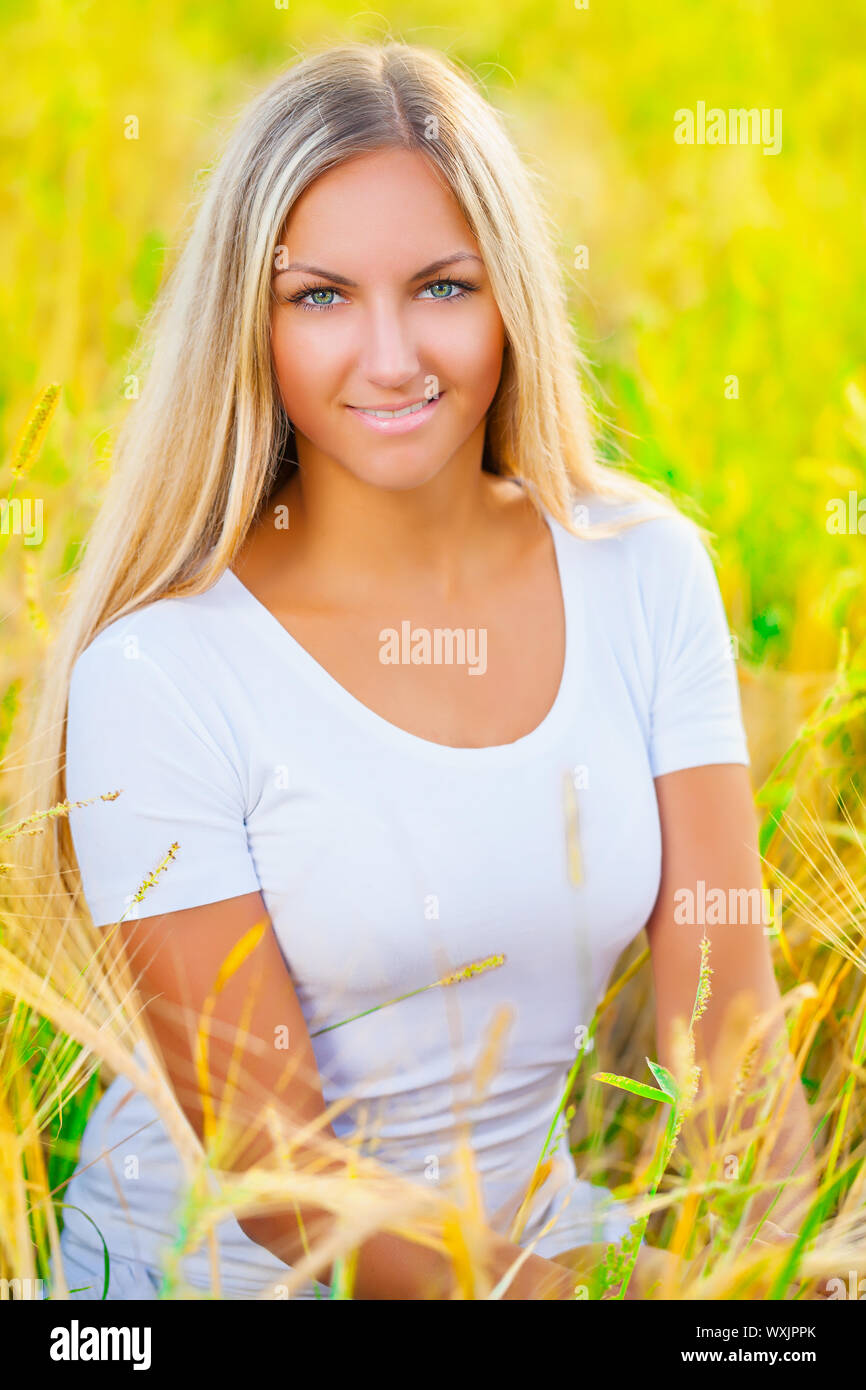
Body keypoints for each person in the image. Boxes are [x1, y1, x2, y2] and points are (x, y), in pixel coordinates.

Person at [17, 40, 806, 1300]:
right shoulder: (159, 671)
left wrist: (777, 1273)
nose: (390, 359)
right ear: (248, 322)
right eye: (320, 297)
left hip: (535, 1253)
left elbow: (726, 1025)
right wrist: (615, 1301)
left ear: (510, 299)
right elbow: (279, 1179)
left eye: (442, 287)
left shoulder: (642, 571)